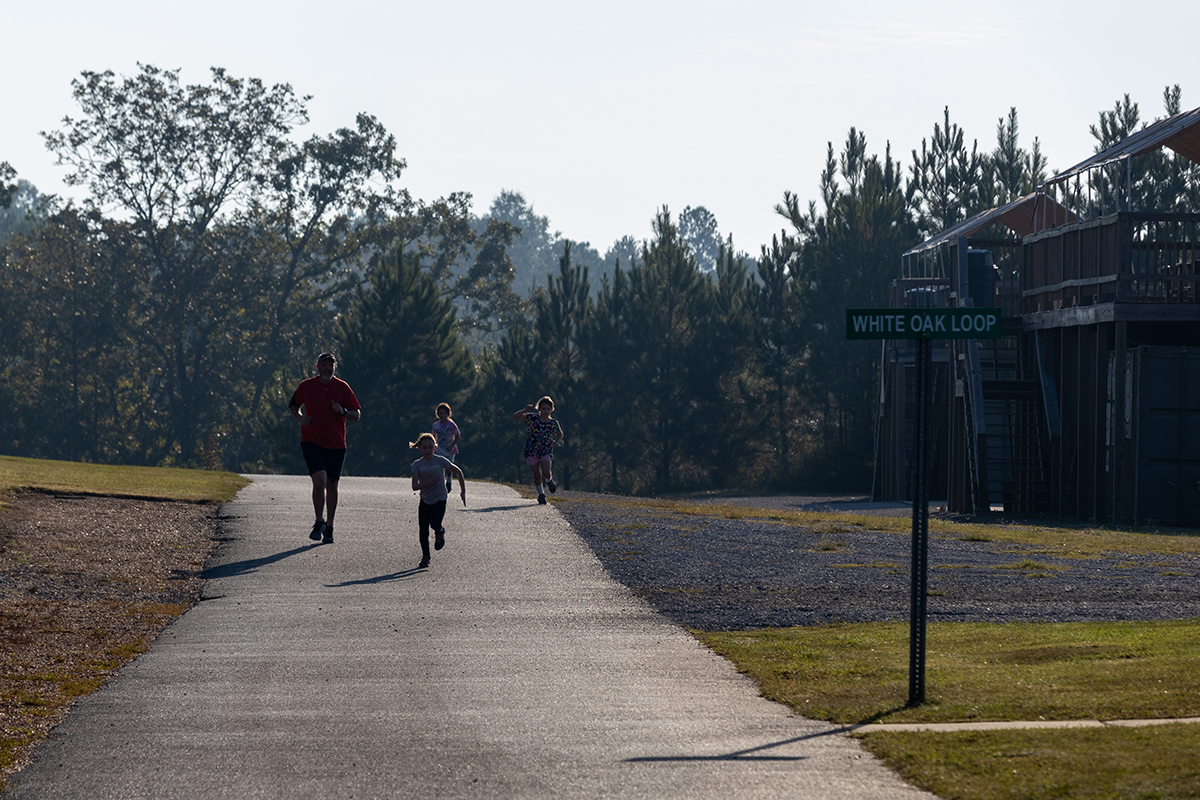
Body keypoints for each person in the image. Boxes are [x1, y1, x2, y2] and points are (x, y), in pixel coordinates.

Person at [288, 352, 361, 544]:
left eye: (331, 365)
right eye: (324, 365)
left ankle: (329, 526)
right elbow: (293, 405)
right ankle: (318, 521)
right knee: (319, 482)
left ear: (334, 367)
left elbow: (356, 415)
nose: (328, 368)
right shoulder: (307, 386)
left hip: (336, 444)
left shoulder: (342, 387)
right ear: (317, 367)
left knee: (332, 484)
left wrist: (343, 411)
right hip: (311, 440)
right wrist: (301, 418)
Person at [411, 432, 466, 568]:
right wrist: (430, 483)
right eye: (425, 447)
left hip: (440, 499)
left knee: (435, 523)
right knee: (423, 530)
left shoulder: (440, 461)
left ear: (435, 448)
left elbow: (458, 471)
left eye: (430, 447)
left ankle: (439, 531)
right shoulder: (417, 465)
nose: (428, 450)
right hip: (425, 500)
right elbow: (415, 486)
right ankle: (425, 556)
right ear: (419, 448)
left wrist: (463, 491)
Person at [513, 396, 563, 505]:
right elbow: (516, 416)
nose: (546, 411)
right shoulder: (532, 418)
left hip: (546, 449)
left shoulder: (553, 423)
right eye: (543, 409)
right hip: (532, 450)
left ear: (552, 410)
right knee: (537, 474)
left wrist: (556, 441)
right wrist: (525, 410)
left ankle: (549, 481)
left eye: (548, 409)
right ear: (539, 409)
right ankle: (541, 495)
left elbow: (560, 434)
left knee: (546, 471)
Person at [431, 402, 460, 493]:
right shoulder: (435, 425)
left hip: (450, 450)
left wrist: (451, 446)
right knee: (440, 466)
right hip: (440, 448)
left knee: (448, 466)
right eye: (440, 413)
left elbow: (457, 436)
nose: (442, 415)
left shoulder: (451, 425)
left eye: (444, 413)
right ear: (438, 414)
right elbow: (433, 436)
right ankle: (440, 483)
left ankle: (449, 480)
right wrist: (433, 446)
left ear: (448, 414)